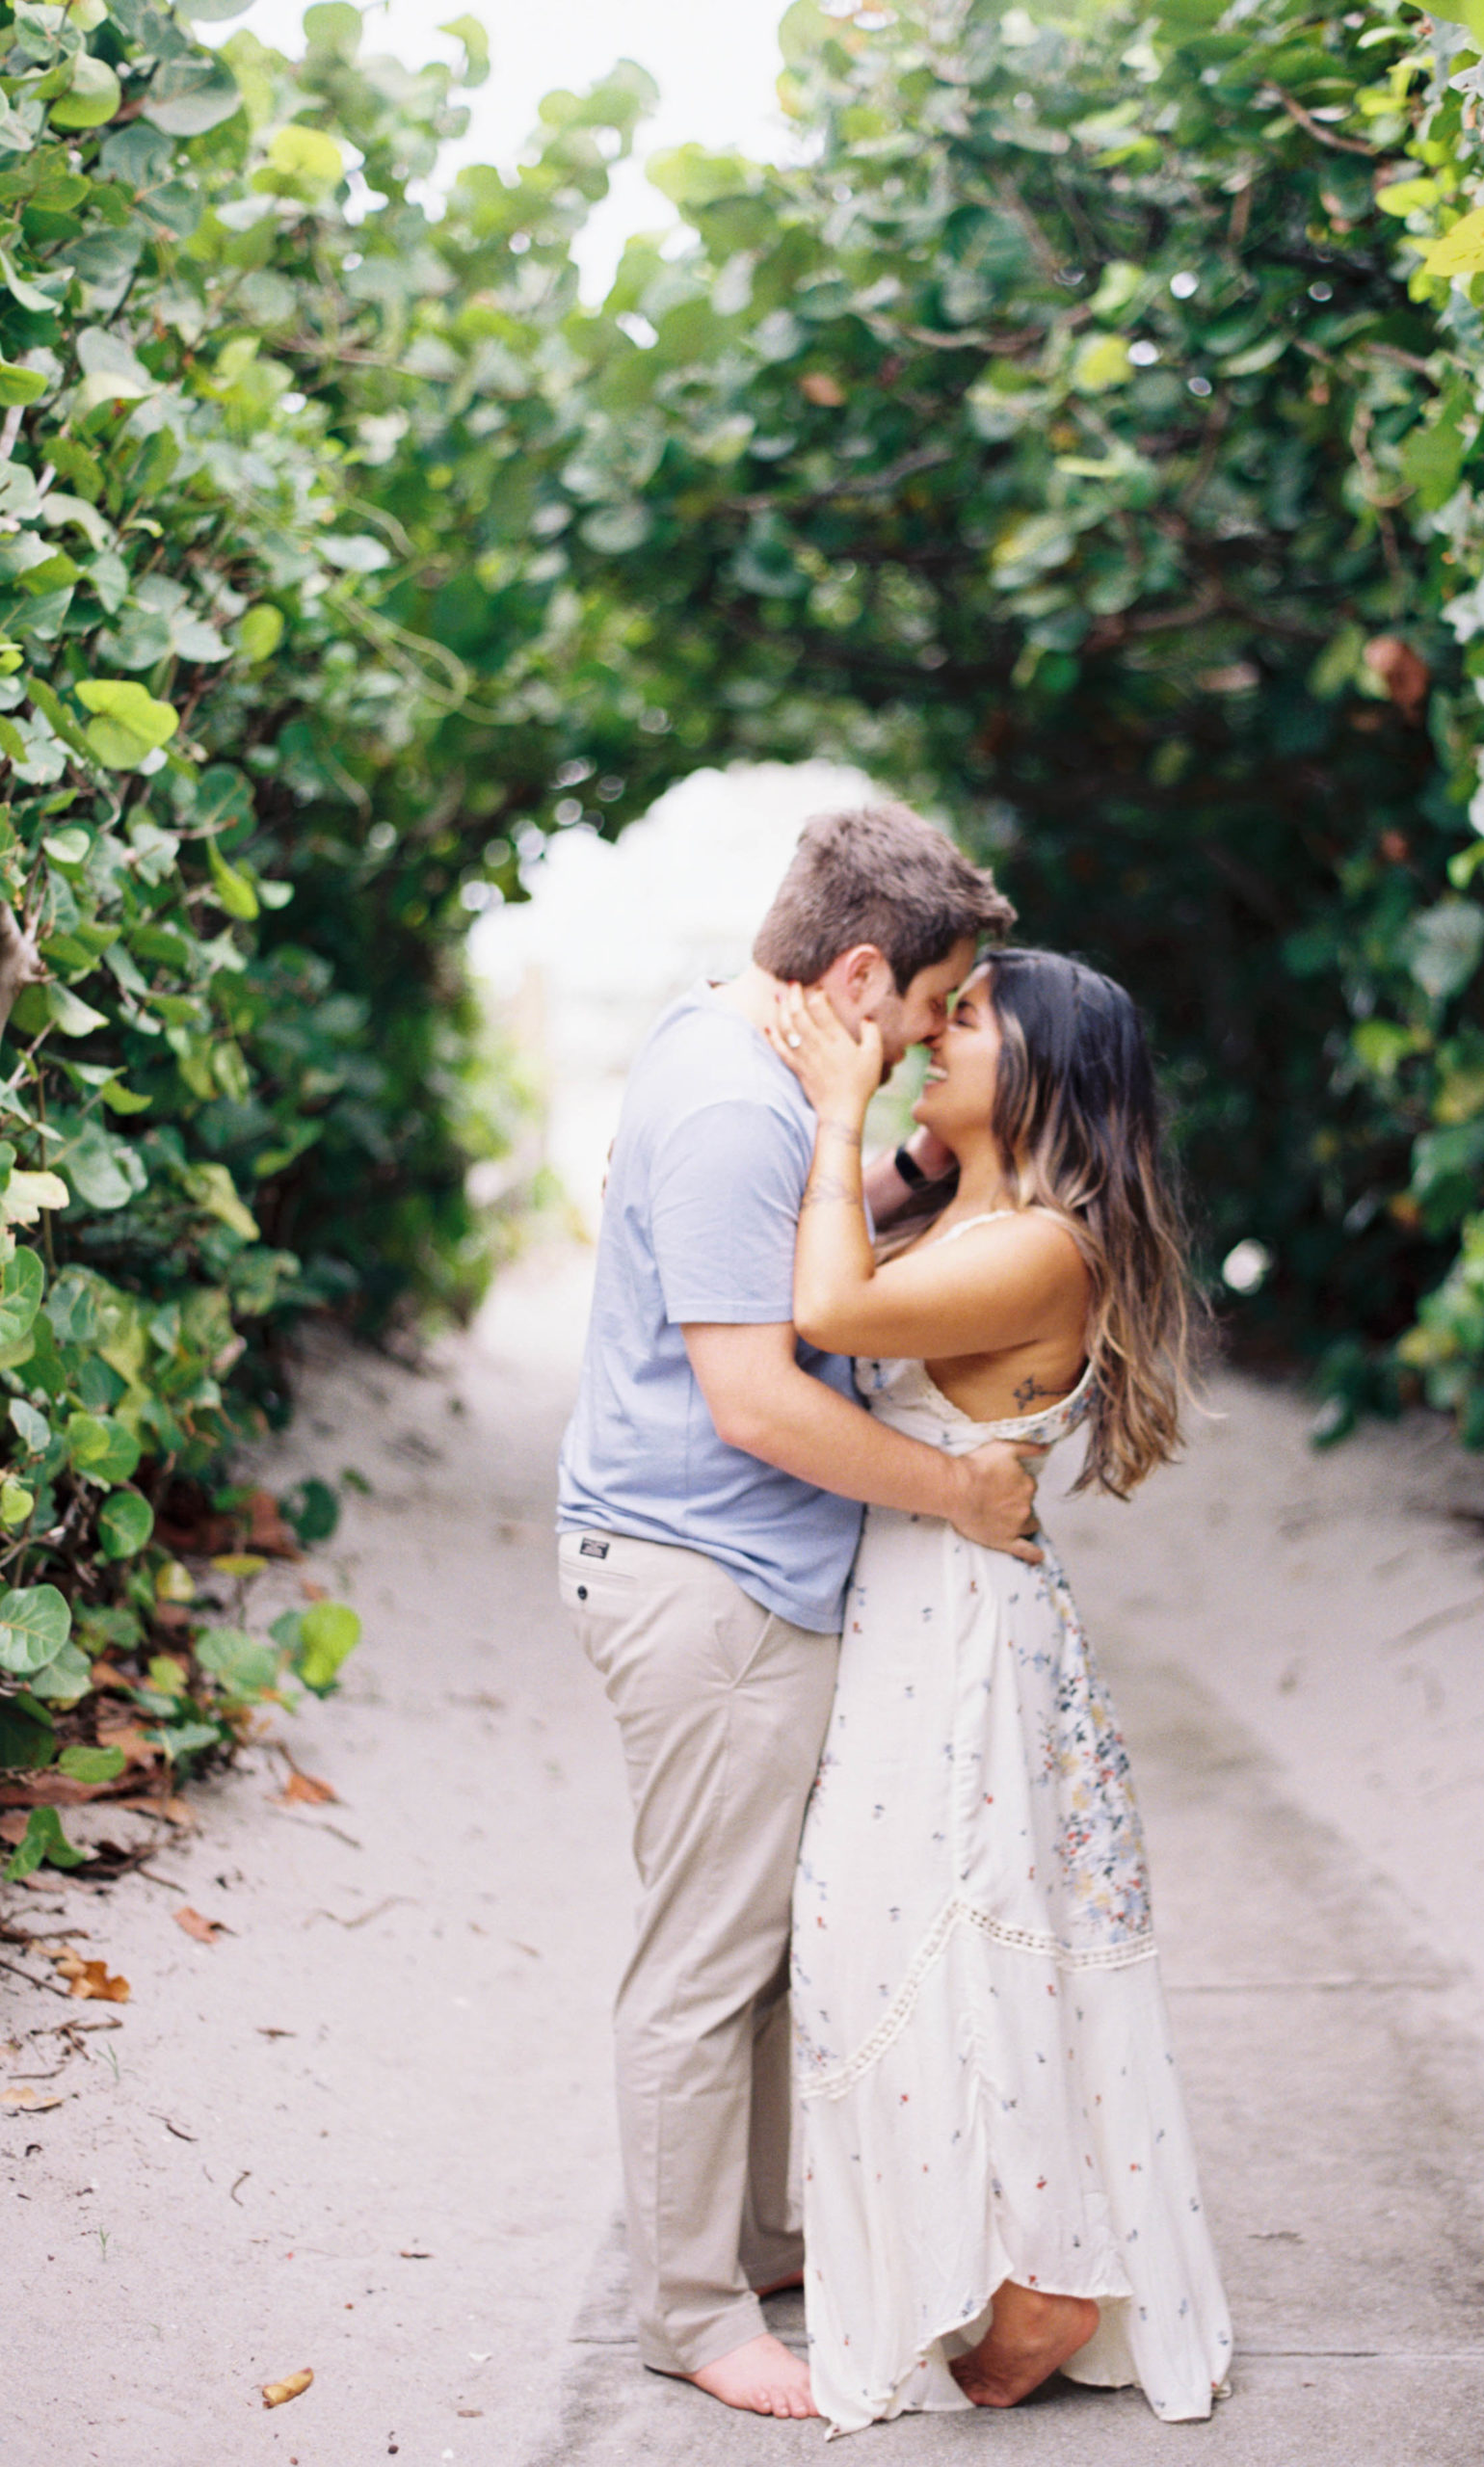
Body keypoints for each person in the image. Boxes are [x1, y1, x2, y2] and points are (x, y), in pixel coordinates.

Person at [556, 801, 1039, 2422]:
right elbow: (757, 1399)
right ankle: (689, 2310)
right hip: (703, 1578)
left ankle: (755, 2236)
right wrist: (960, 1496)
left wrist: (900, 1161)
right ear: (854, 971)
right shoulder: (725, 1107)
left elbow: (804, 1268)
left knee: (756, 1943)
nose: (925, 1037)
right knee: (703, 1961)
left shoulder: (770, 1079)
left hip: (736, 1572)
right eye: (925, 1001)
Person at [765, 945, 1233, 2433]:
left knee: (948, 1929)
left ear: (1035, 1071)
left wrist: (838, 1110)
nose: (924, 1035)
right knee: (906, 1931)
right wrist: (900, 1144)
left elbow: (831, 1312)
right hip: (926, 1611)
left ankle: (1044, 2264)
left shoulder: (1039, 1244)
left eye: (962, 1022)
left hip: (958, 1637)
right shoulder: (981, 1215)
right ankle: (995, 2252)